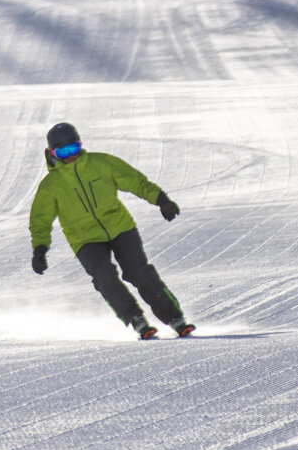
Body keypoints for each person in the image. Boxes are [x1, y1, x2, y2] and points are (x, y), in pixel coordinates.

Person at [28, 123, 194, 340]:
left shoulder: (101, 163)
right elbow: (40, 220)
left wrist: (161, 200)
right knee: (104, 277)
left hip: (120, 227)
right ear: (52, 153)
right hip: (85, 239)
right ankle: (136, 319)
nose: (70, 156)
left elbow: (136, 182)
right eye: (63, 152)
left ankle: (175, 318)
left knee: (139, 272)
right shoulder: (51, 185)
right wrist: (39, 249)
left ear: (80, 145)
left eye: (74, 149)